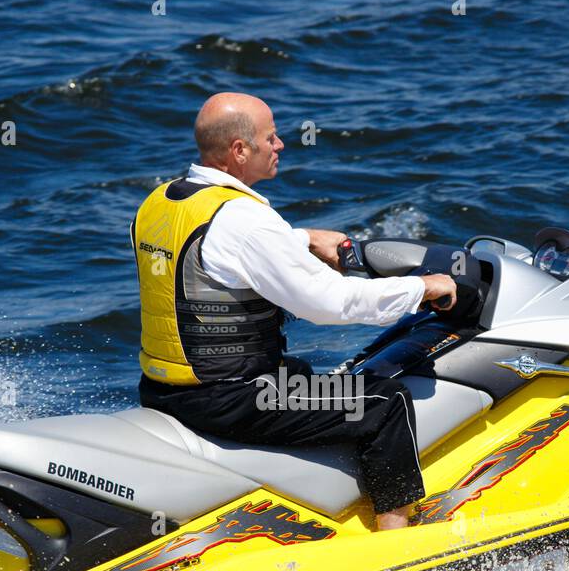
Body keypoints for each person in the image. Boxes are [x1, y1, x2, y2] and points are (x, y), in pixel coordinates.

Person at [131, 92, 457, 530]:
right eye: (271, 137)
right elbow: (331, 304)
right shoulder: (245, 221)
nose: (281, 144)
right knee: (383, 401)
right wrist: (423, 288)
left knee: (303, 371)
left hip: (162, 387)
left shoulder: (162, 202)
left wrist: (300, 239)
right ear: (239, 150)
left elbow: (217, 257)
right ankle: (395, 545)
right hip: (229, 396)